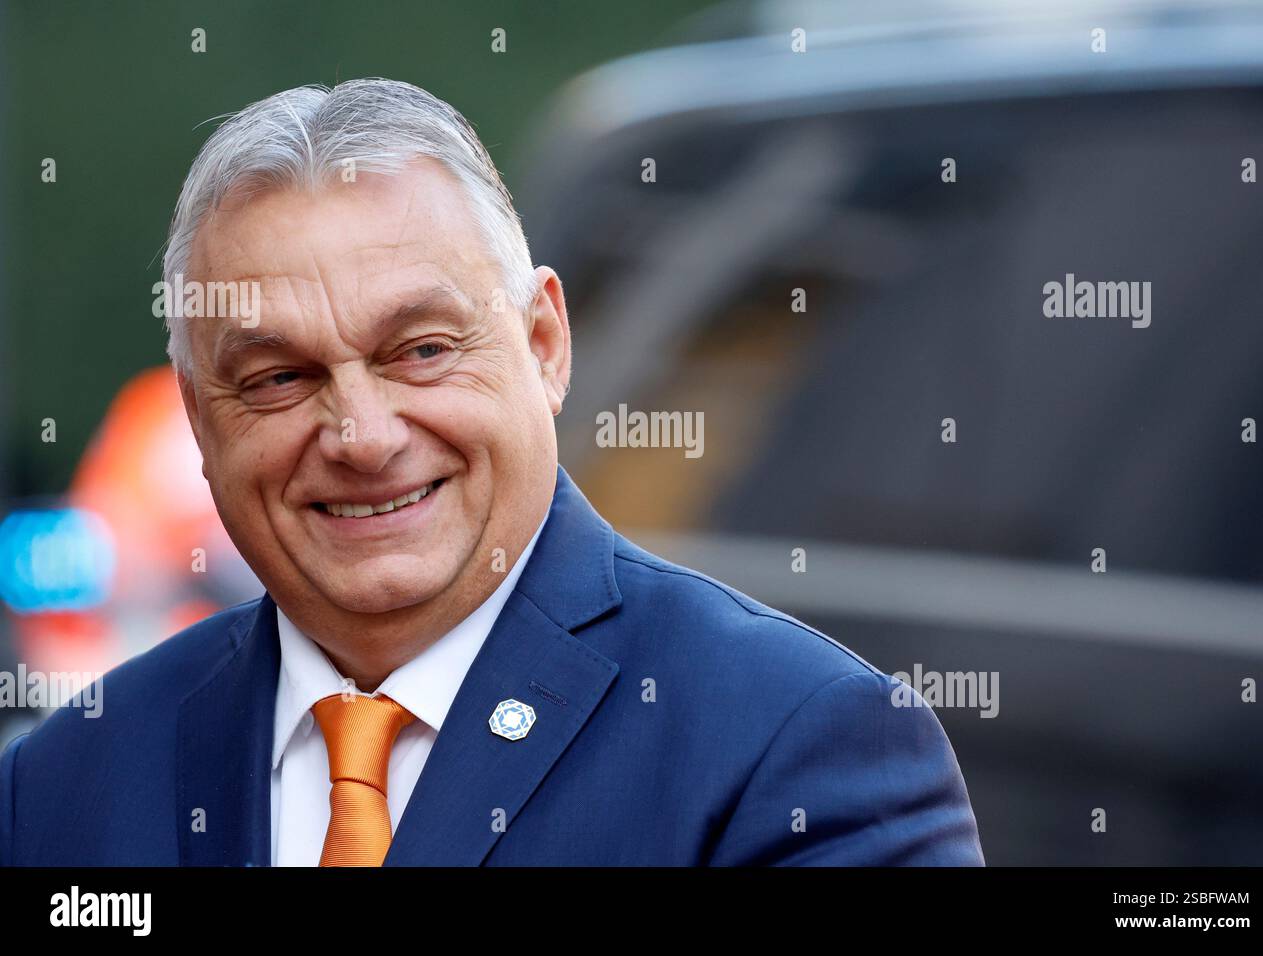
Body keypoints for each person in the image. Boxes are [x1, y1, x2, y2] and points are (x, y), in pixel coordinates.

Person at [0, 79, 983, 866]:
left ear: (545, 342)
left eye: (420, 350)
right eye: (278, 376)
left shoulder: (792, 747)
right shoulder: (60, 786)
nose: (361, 432)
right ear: (198, 421)